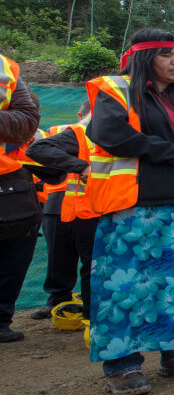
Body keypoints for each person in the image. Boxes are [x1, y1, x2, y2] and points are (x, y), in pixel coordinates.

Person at [83, 30, 174, 395]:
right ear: (144, 58)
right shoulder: (116, 90)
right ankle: (122, 364)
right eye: (165, 55)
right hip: (136, 207)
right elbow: (111, 135)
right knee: (128, 283)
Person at [27, 101, 95, 322]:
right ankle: (58, 299)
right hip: (59, 201)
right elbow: (34, 153)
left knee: (90, 262)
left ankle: (88, 310)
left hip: (91, 205)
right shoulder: (70, 133)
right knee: (60, 256)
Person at [0, 55, 51, 344]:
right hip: (23, 193)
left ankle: (2, 319)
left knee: (14, 258)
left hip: (16, 191)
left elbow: (27, 121)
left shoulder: (7, 68)